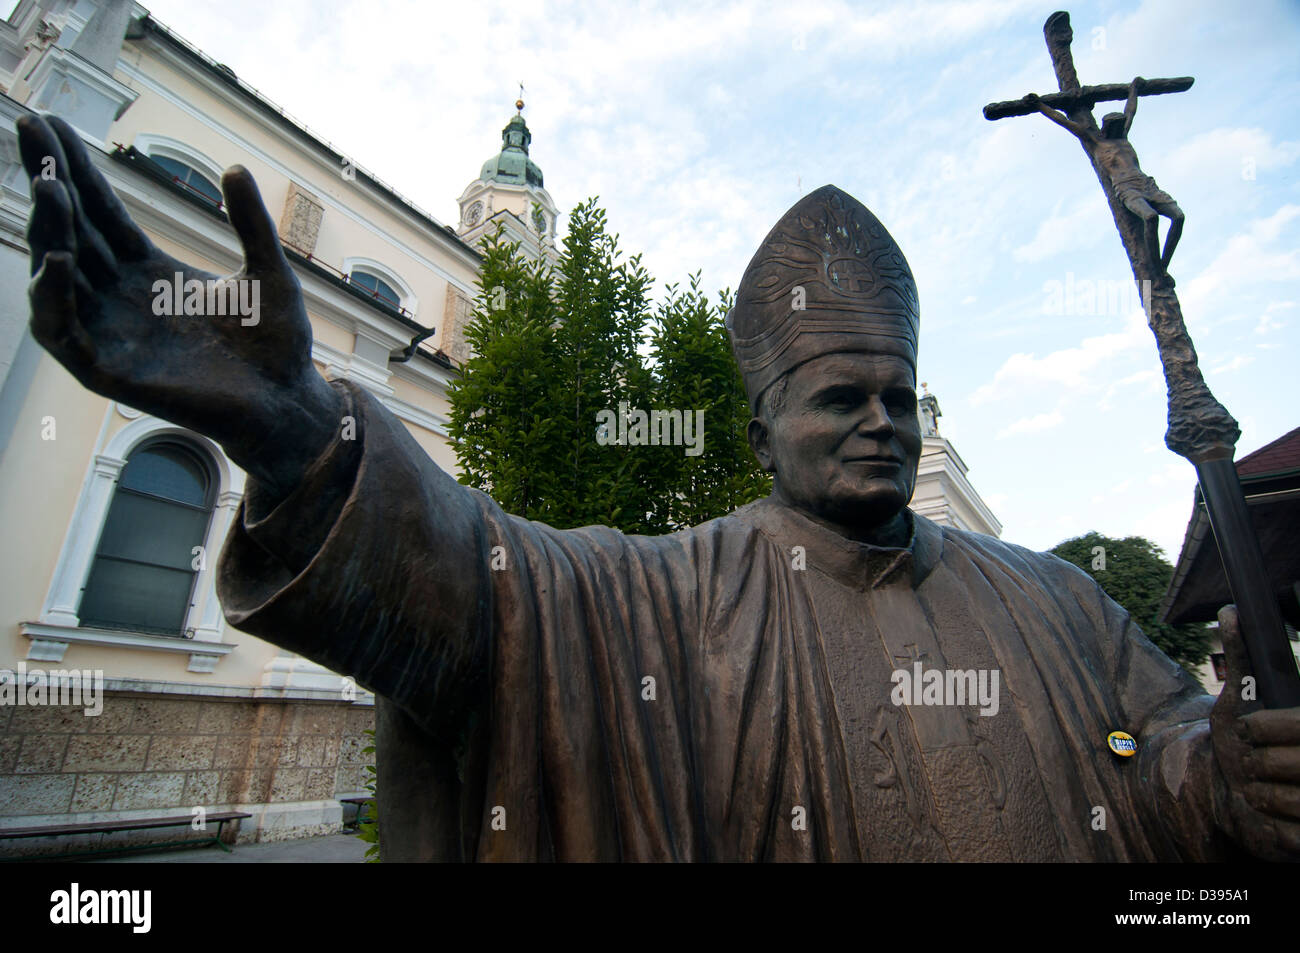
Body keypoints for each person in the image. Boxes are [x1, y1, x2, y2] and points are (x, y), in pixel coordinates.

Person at [15, 113, 1299, 861]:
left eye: (900, 397)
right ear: (760, 428)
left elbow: (1173, 760)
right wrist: (303, 428)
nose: (882, 424)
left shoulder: (1062, 605)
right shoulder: (661, 596)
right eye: (840, 398)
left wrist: (1231, 769)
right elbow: (481, 586)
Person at [1027, 77, 1184, 279]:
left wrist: (1133, 90)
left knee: (1178, 217)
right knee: (1150, 217)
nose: (1118, 127)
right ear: (1105, 128)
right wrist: (1040, 106)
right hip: (1128, 188)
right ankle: (1157, 271)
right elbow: (1065, 121)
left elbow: (1130, 111)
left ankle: (1162, 266)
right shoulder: (1096, 142)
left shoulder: (1123, 137)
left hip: (1147, 184)